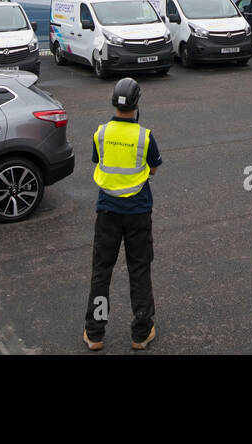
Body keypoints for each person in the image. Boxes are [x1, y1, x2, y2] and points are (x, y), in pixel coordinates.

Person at [83, 77, 162, 351]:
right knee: (139, 270)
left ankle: (95, 333)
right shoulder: (144, 136)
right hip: (138, 211)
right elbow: (152, 168)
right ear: (137, 103)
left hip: (107, 211)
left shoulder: (101, 133)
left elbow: (99, 161)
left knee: (102, 271)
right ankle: (141, 333)